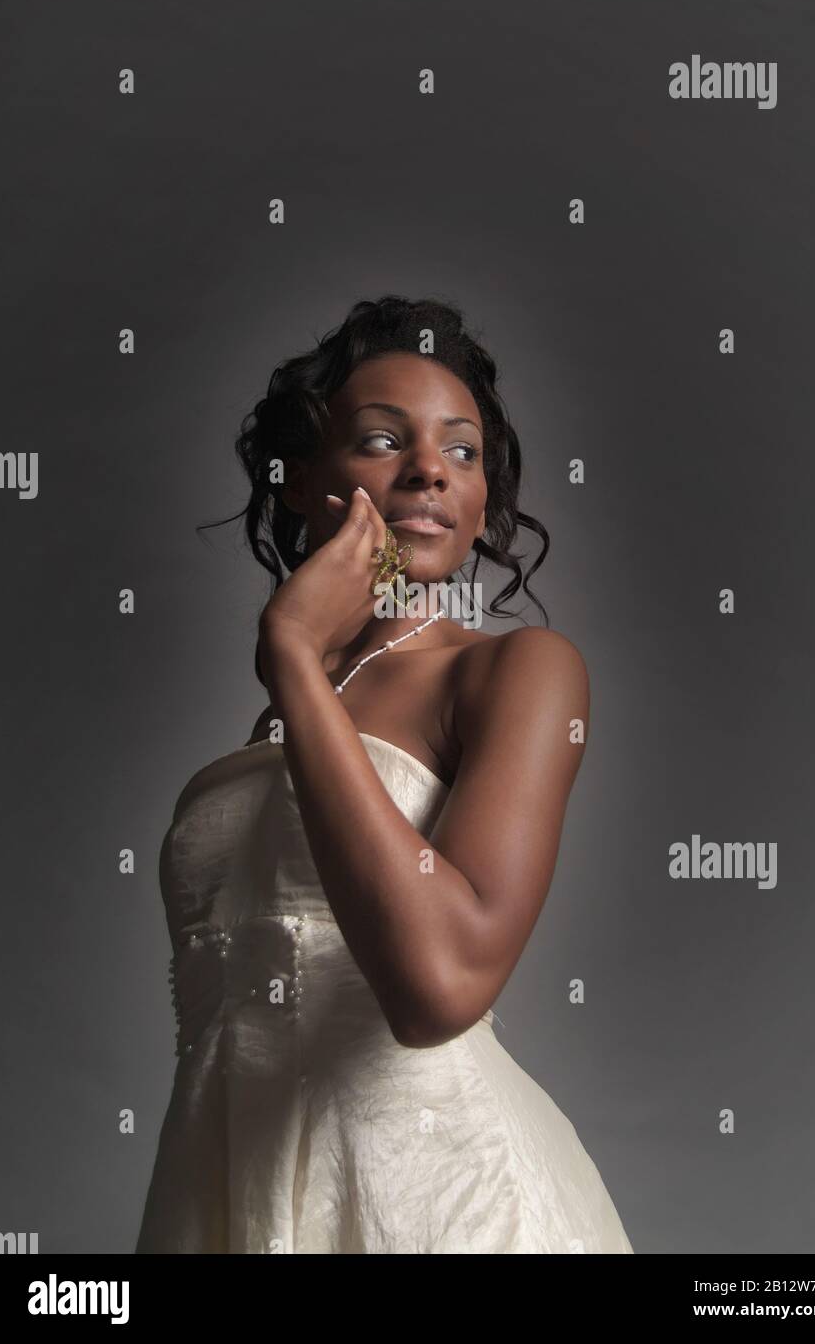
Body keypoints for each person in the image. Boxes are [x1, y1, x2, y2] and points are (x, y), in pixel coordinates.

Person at [135, 295, 633, 1254]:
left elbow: (438, 987)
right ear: (301, 482)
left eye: (464, 451)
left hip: (437, 1205)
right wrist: (301, 674)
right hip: (227, 1194)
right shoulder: (293, 711)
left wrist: (286, 645)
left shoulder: (514, 672)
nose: (429, 473)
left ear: (486, 500)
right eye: (379, 440)